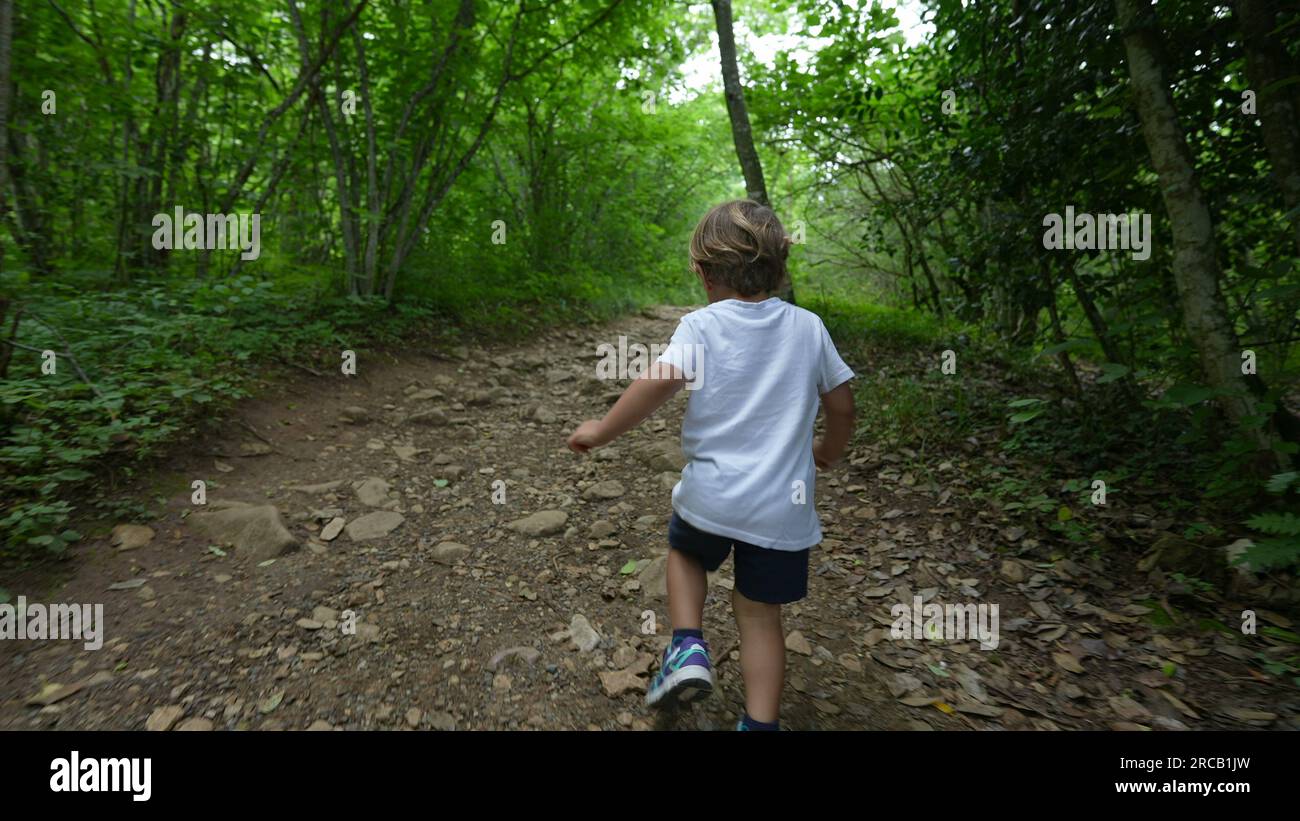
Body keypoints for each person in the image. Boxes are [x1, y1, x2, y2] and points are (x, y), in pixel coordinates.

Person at [566, 199, 856, 731]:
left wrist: (601, 431)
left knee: (685, 554)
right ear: (781, 267)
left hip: (711, 498)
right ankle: (759, 723)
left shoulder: (700, 327)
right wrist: (828, 452)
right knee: (761, 617)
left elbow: (656, 385)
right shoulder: (809, 328)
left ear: (701, 272)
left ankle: (687, 646)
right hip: (781, 515)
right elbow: (842, 405)